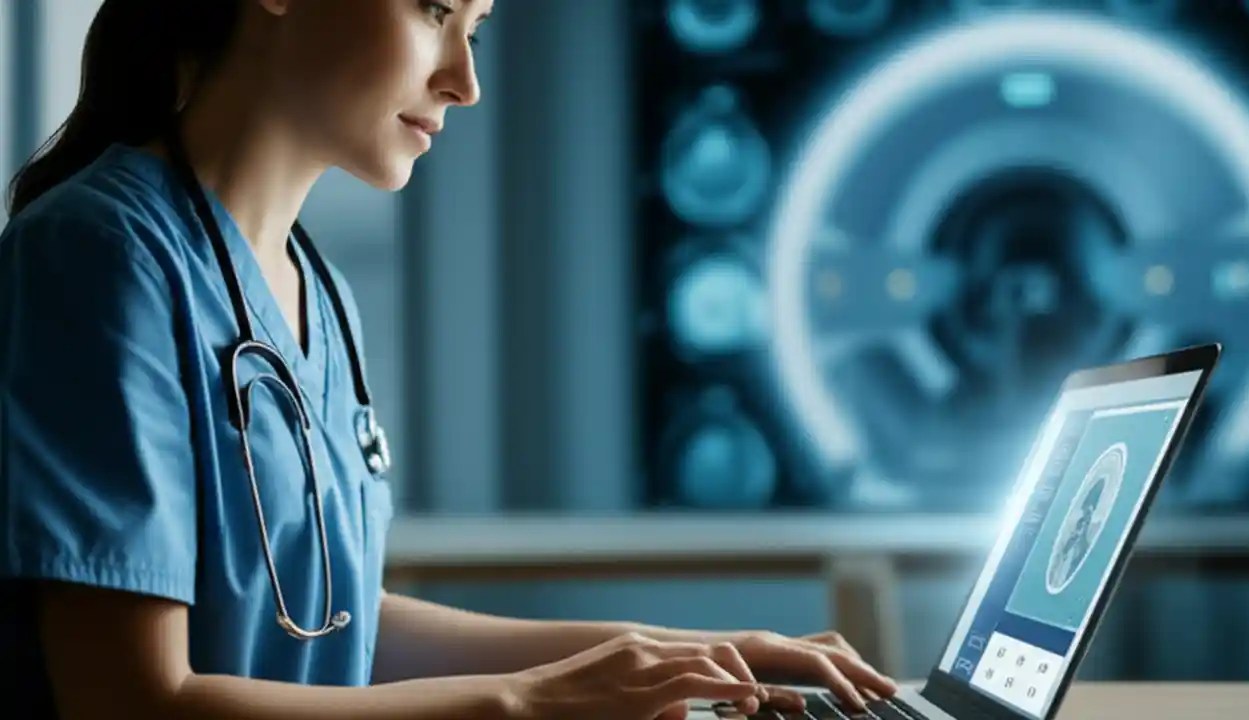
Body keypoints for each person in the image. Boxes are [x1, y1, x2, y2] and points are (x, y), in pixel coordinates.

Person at [0, 1, 897, 719]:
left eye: (476, 30)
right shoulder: (100, 255)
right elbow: (130, 699)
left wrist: (672, 654)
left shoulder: (319, 293)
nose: (465, 82)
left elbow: (331, 630)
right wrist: (526, 703)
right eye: (435, 13)